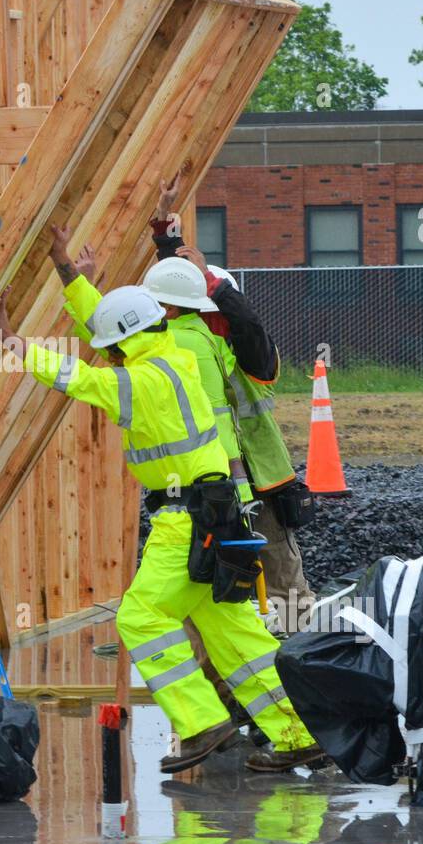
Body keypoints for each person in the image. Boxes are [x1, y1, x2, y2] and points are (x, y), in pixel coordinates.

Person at [0, 271, 324, 775]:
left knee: (140, 618)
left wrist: (19, 346)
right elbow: (117, 338)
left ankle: (202, 723)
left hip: (183, 519)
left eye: (114, 346)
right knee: (236, 634)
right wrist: (71, 278)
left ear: (124, 343)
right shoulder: (180, 359)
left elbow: (81, 377)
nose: (113, 354)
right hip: (222, 512)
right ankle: (298, 733)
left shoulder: (136, 382)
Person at [149, 172, 316, 635]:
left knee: (282, 586)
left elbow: (245, 322)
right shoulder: (188, 343)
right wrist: (166, 233)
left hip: (260, 487)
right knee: (210, 586)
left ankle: (298, 658)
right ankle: (230, 673)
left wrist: (211, 283)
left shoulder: (253, 356)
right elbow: (174, 291)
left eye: (210, 309)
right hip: (210, 489)